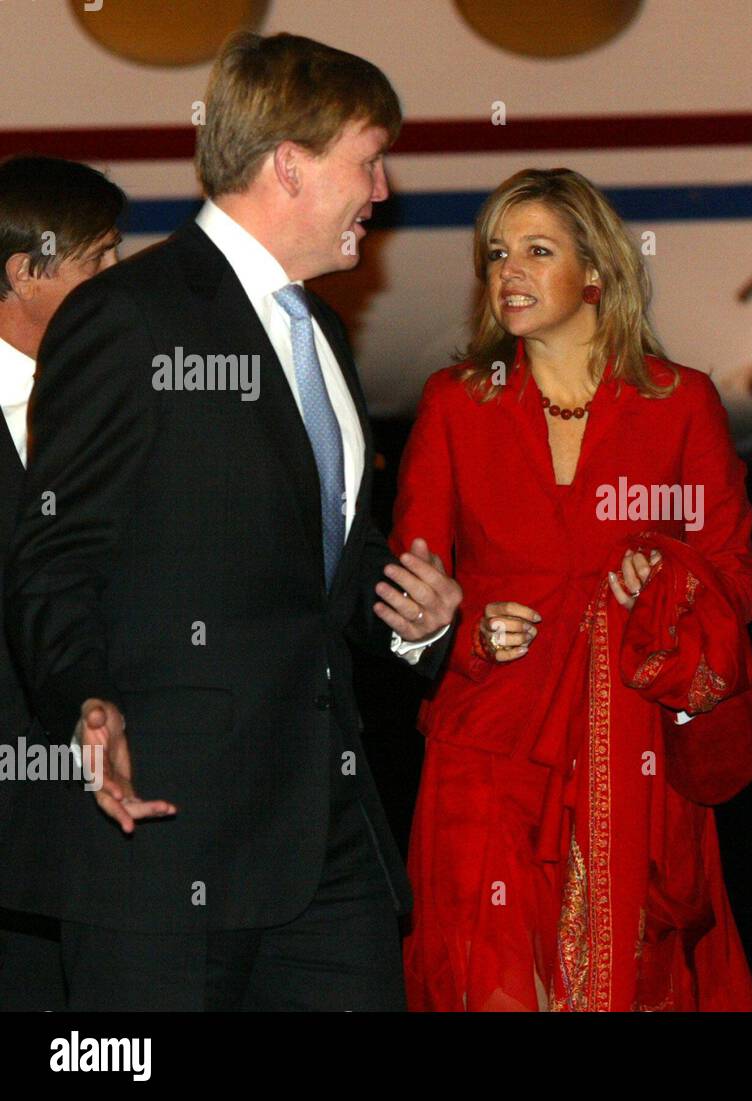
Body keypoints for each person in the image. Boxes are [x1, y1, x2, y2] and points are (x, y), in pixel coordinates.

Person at [3, 33, 461, 1011]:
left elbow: (331, 560)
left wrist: (413, 620)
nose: (381, 190)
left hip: (327, 842)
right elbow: (53, 550)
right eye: (367, 160)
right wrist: (81, 694)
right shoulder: (129, 317)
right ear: (288, 163)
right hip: (164, 846)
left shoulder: (323, 328)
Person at [393, 167, 752, 1011]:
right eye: (496, 253)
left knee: (633, 985)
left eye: (536, 250)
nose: (508, 272)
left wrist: (671, 581)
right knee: (485, 982)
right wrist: (466, 630)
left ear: (595, 272)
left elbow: (738, 581)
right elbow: (414, 589)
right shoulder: (456, 403)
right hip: (488, 744)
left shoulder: (680, 403)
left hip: (628, 749)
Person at [0, 155, 123, 1011]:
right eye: (100, 258)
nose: (120, 281)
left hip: (113, 831)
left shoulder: (126, 395)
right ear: (25, 273)